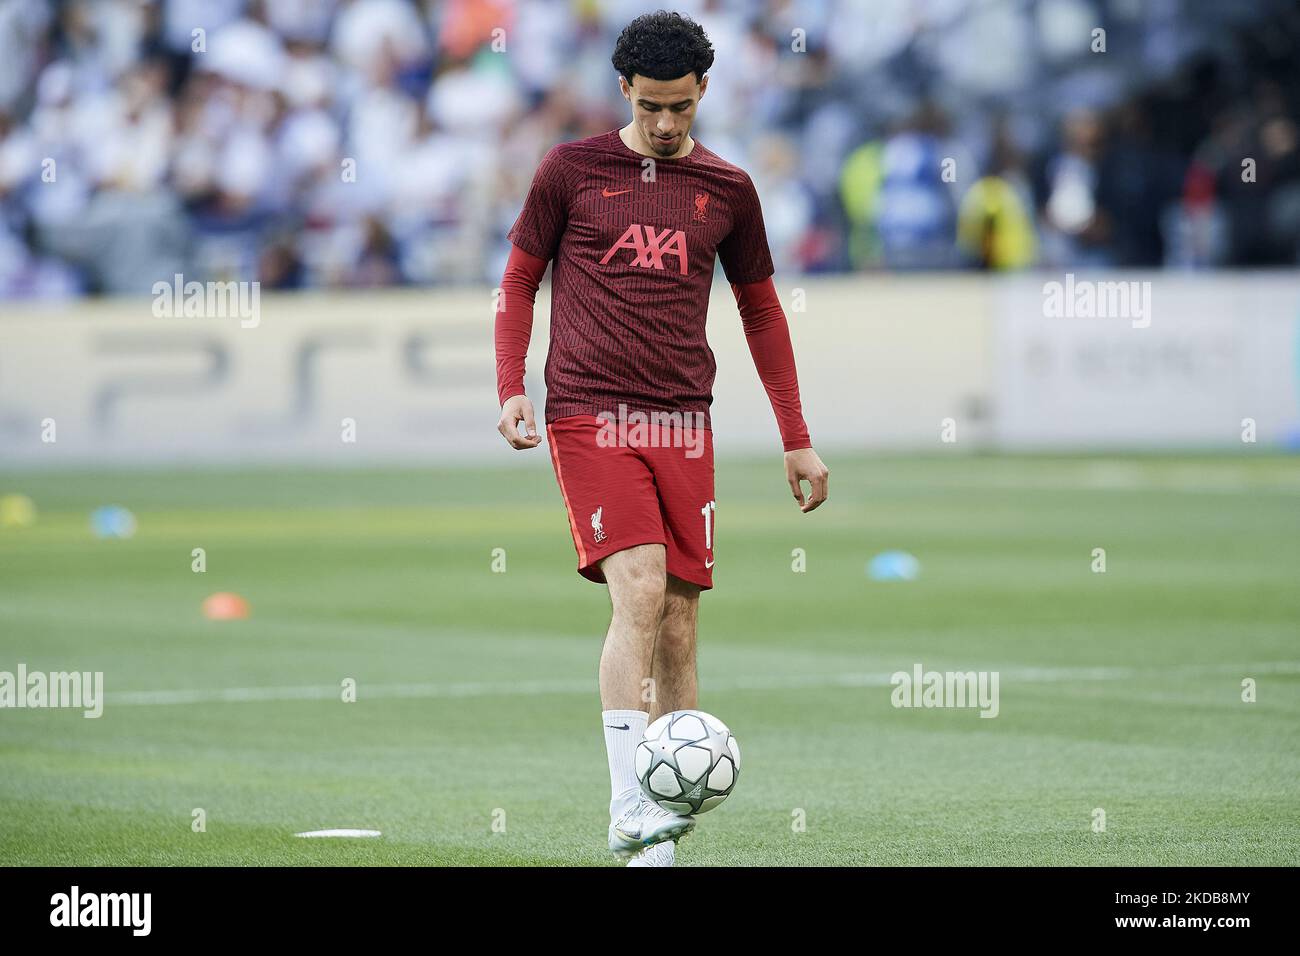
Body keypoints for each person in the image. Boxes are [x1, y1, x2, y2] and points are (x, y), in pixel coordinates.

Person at [492, 11, 828, 866]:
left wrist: (797, 436)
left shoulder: (730, 190)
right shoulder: (570, 171)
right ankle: (627, 806)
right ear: (623, 92)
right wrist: (510, 389)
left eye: (681, 107)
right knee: (639, 589)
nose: (668, 125)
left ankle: (659, 843)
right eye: (651, 108)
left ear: (704, 91)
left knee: (679, 624)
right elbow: (520, 281)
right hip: (587, 410)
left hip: (683, 420)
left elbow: (760, 310)